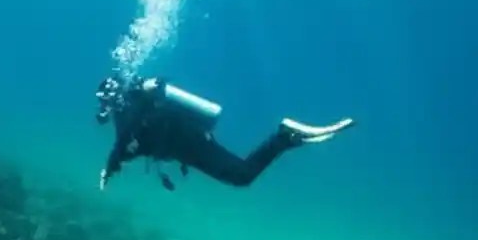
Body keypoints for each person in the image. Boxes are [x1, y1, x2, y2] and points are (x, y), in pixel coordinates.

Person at [94, 75, 354, 191]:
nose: (106, 108)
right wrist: (110, 169)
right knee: (241, 176)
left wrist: (109, 168)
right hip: (188, 143)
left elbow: (124, 143)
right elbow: (125, 148)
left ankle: (285, 136)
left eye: (105, 102)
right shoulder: (129, 111)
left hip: (189, 143)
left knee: (241, 176)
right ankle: (289, 139)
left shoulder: (131, 104)